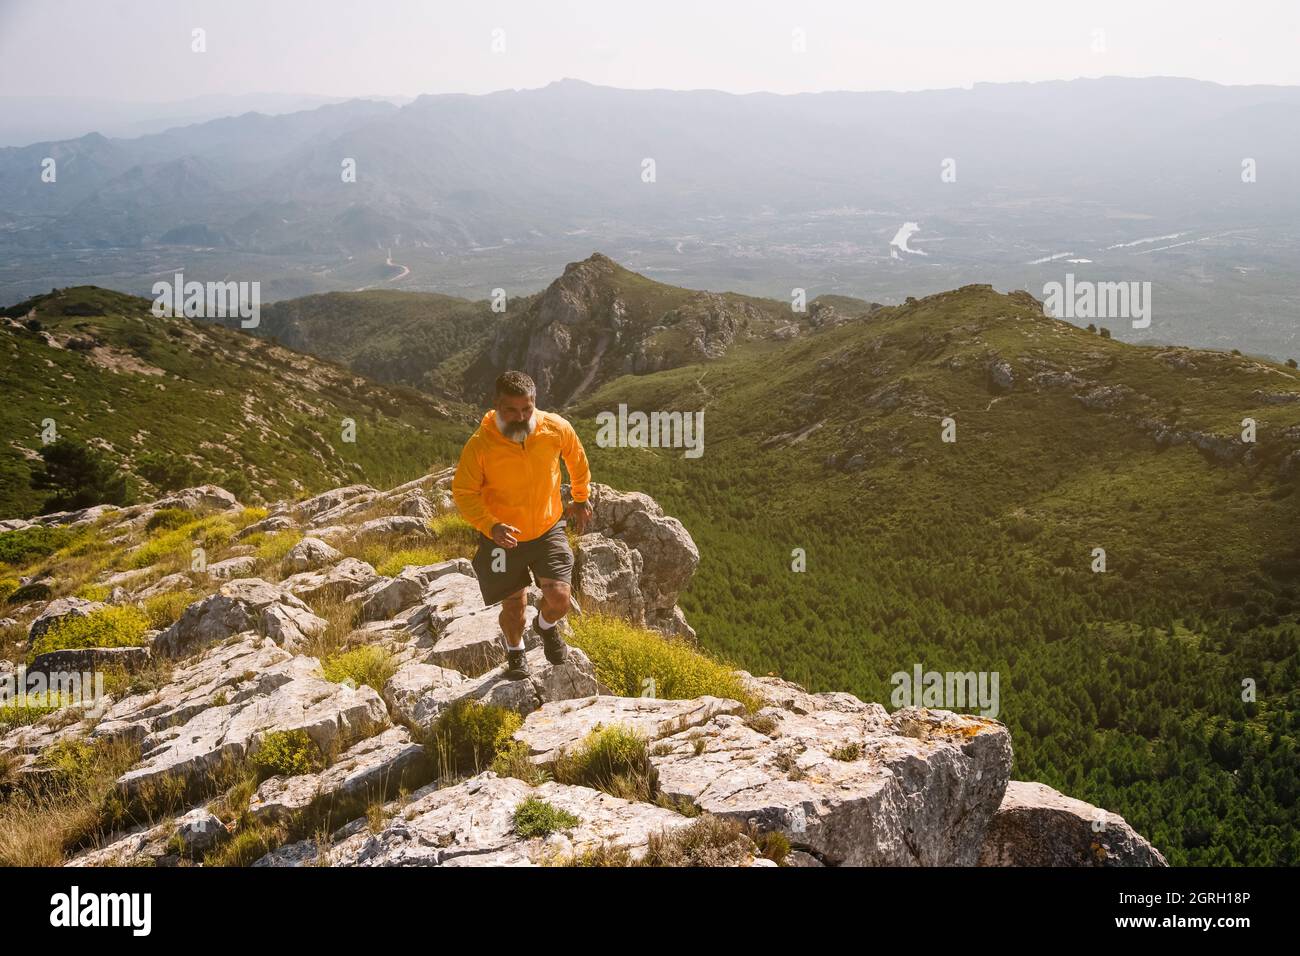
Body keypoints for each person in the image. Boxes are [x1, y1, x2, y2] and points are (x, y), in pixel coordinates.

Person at [451, 370, 593, 679]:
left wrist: (580, 498)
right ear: (497, 406)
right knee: (513, 606)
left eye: (526, 409)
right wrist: (490, 525)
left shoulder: (555, 428)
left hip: (547, 529)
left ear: (534, 402)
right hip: (502, 540)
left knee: (559, 598)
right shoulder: (481, 445)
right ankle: (516, 653)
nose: (520, 417)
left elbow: (577, 459)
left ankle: (545, 627)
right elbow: (463, 492)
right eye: (511, 410)